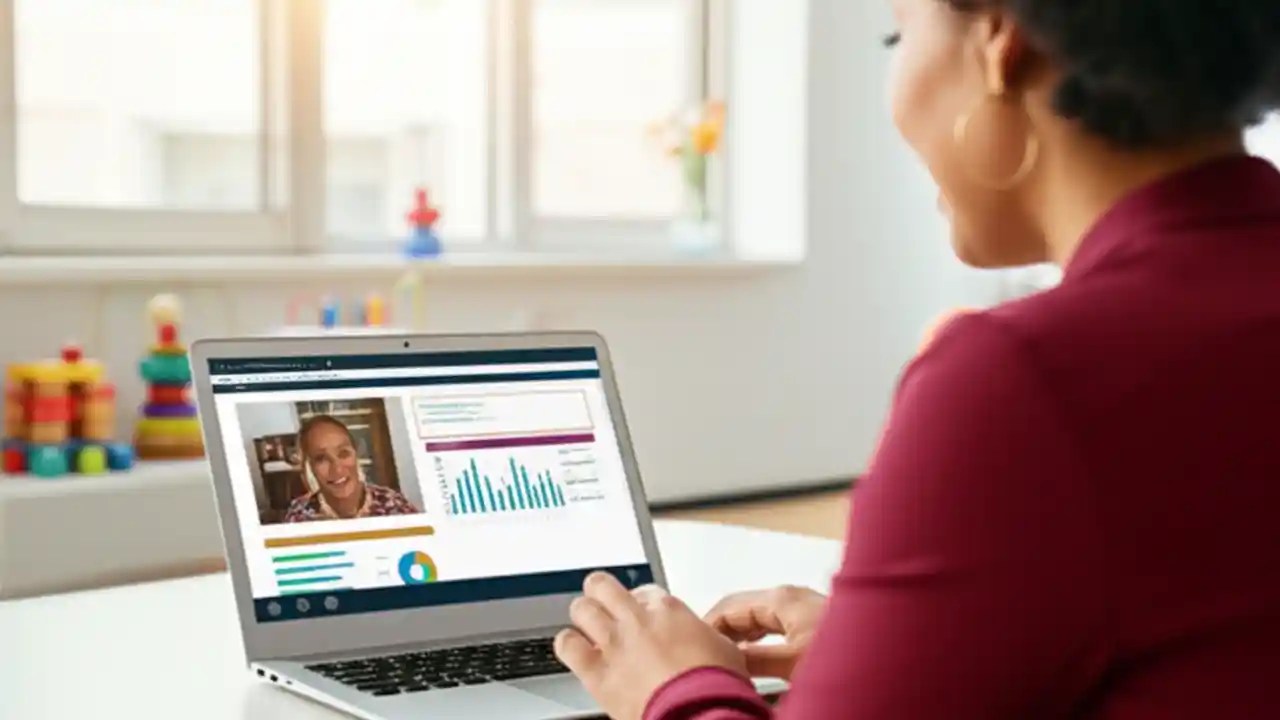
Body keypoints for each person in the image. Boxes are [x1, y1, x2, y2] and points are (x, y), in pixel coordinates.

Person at [552, 1, 1280, 718]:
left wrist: (676, 690)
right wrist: (907, 645)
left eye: (897, 35)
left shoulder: (1025, 379)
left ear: (1000, 40)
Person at [283, 415, 419, 522]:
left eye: (344, 453)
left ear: (356, 455)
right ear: (309, 467)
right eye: (321, 458)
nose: (337, 469)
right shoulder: (298, 516)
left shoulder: (394, 505)